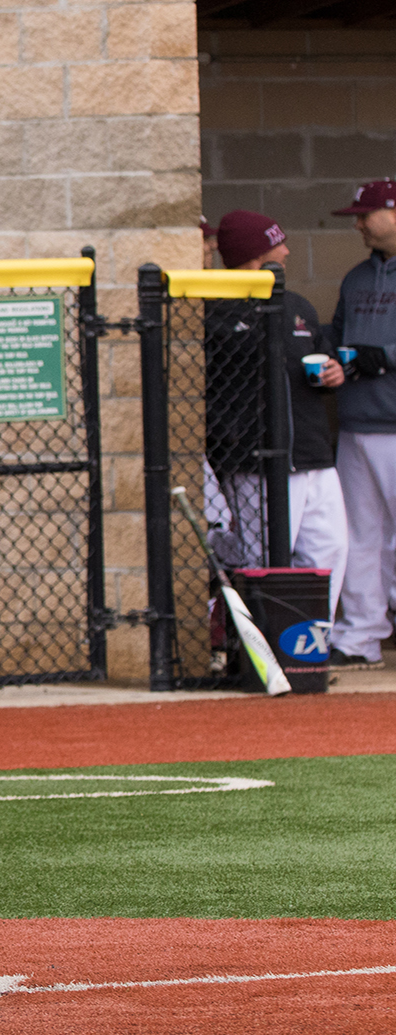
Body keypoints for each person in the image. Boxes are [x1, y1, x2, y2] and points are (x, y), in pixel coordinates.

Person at [200, 210, 347, 621]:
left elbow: (321, 356)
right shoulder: (216, 310)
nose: (286, 251)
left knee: (330, 550)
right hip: (254, 459)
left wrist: (333, 373)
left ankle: (309, 644)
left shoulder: (295, 304)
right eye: (276, 244)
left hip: (314, 455)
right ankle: (257, 647)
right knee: (261, 559)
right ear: (254, 253)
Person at [327, 179, 396, 669]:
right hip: (356, 421)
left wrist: (386, 356)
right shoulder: (355, 278)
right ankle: (361, 636)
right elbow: (338, 334)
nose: (358, 224)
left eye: (364, 214)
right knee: (360, 535)